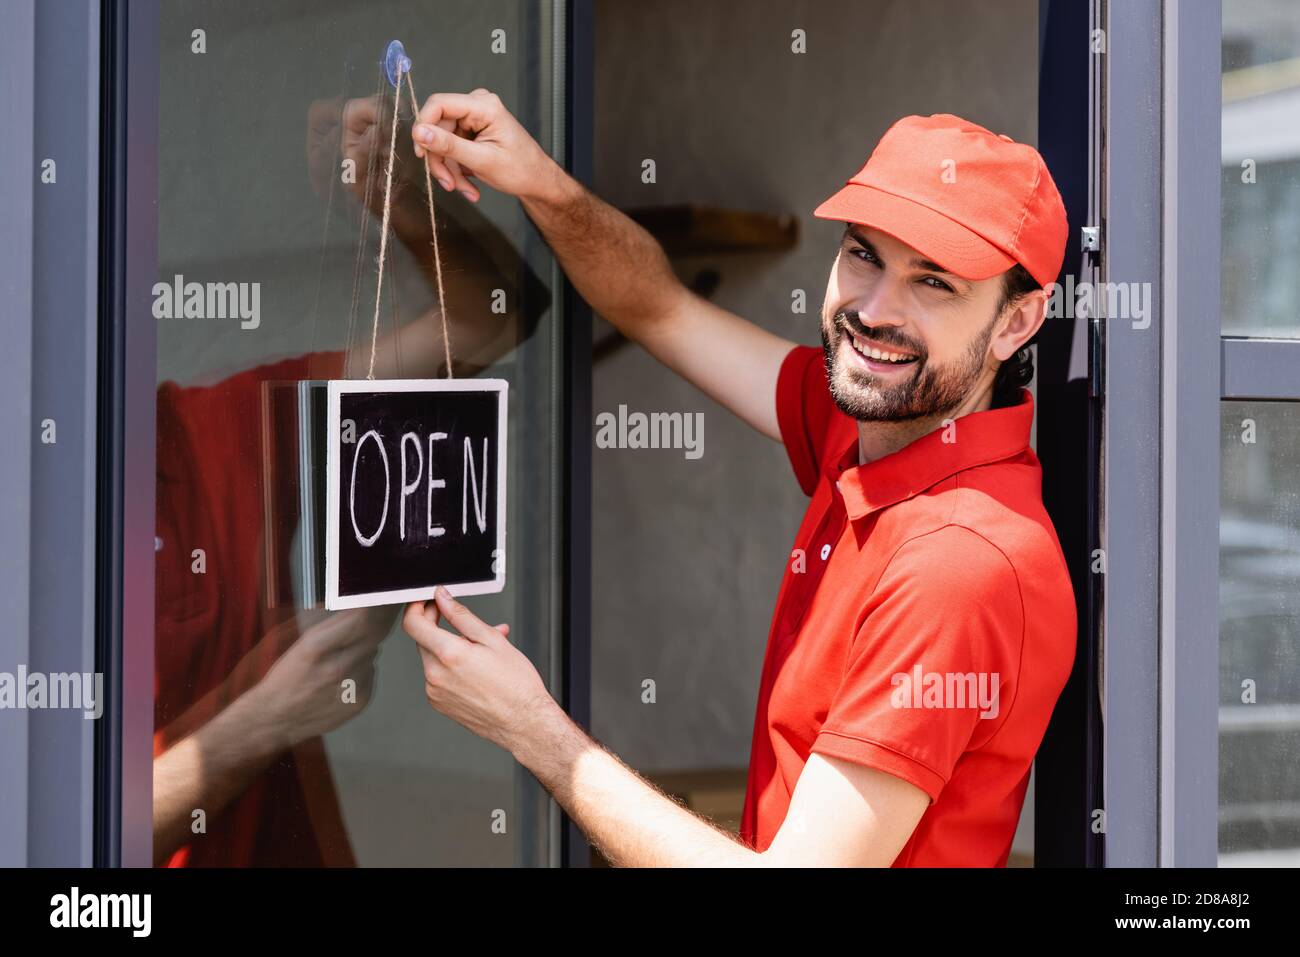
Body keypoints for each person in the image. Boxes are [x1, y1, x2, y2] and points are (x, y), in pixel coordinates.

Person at [400, 93, 1078, 867]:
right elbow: (658, 308)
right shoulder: (866, 425)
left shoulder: (958, 564)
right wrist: (541, 183)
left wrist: (533, 730)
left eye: (934, 283)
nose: (875, 311)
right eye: (863, 254)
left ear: (1018, 321)